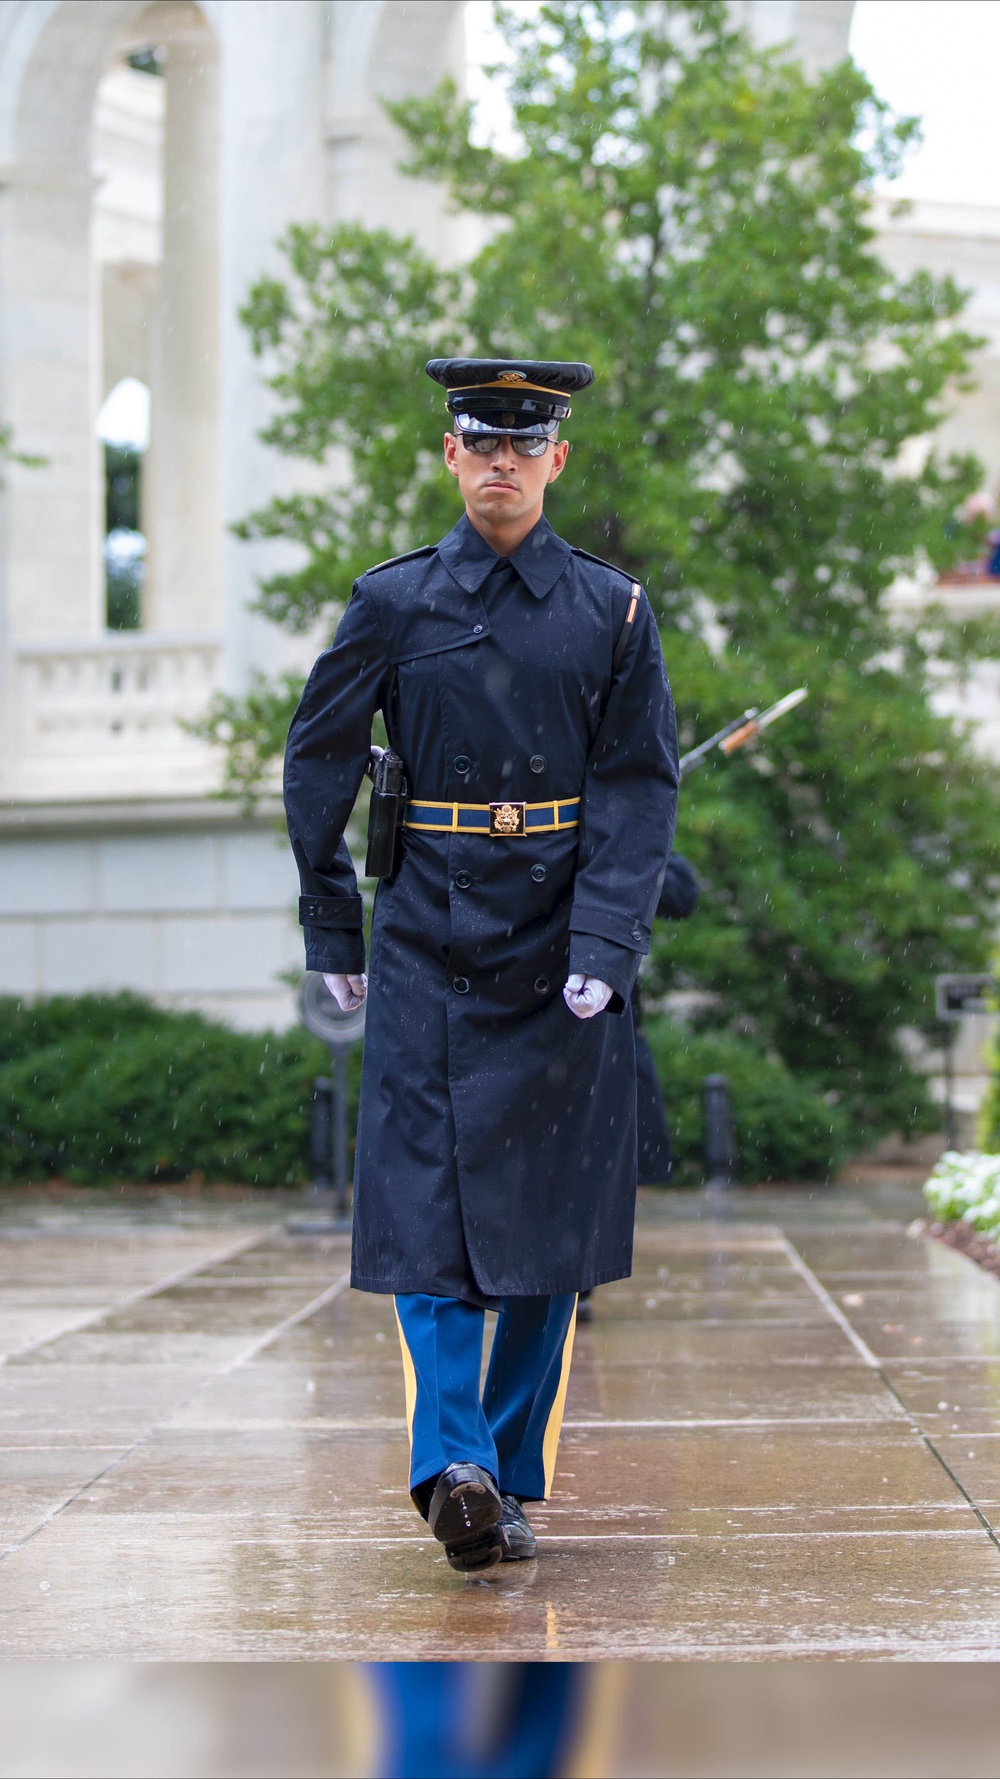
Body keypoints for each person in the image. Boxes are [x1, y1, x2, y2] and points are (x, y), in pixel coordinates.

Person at [284, 358, 678, 1573]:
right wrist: (332, 927)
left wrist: (608, 943)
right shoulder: (392, 604)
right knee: (428, 1210)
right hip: (427, 936)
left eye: (525, 444)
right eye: (479, 441)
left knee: (549, 1229)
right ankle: (449, 1463)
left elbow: (636, 786)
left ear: (556, 461)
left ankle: (500, 1473)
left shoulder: (611, 611)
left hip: (559, 943)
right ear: (449, 456)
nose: (500, 461)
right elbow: (318, 760)